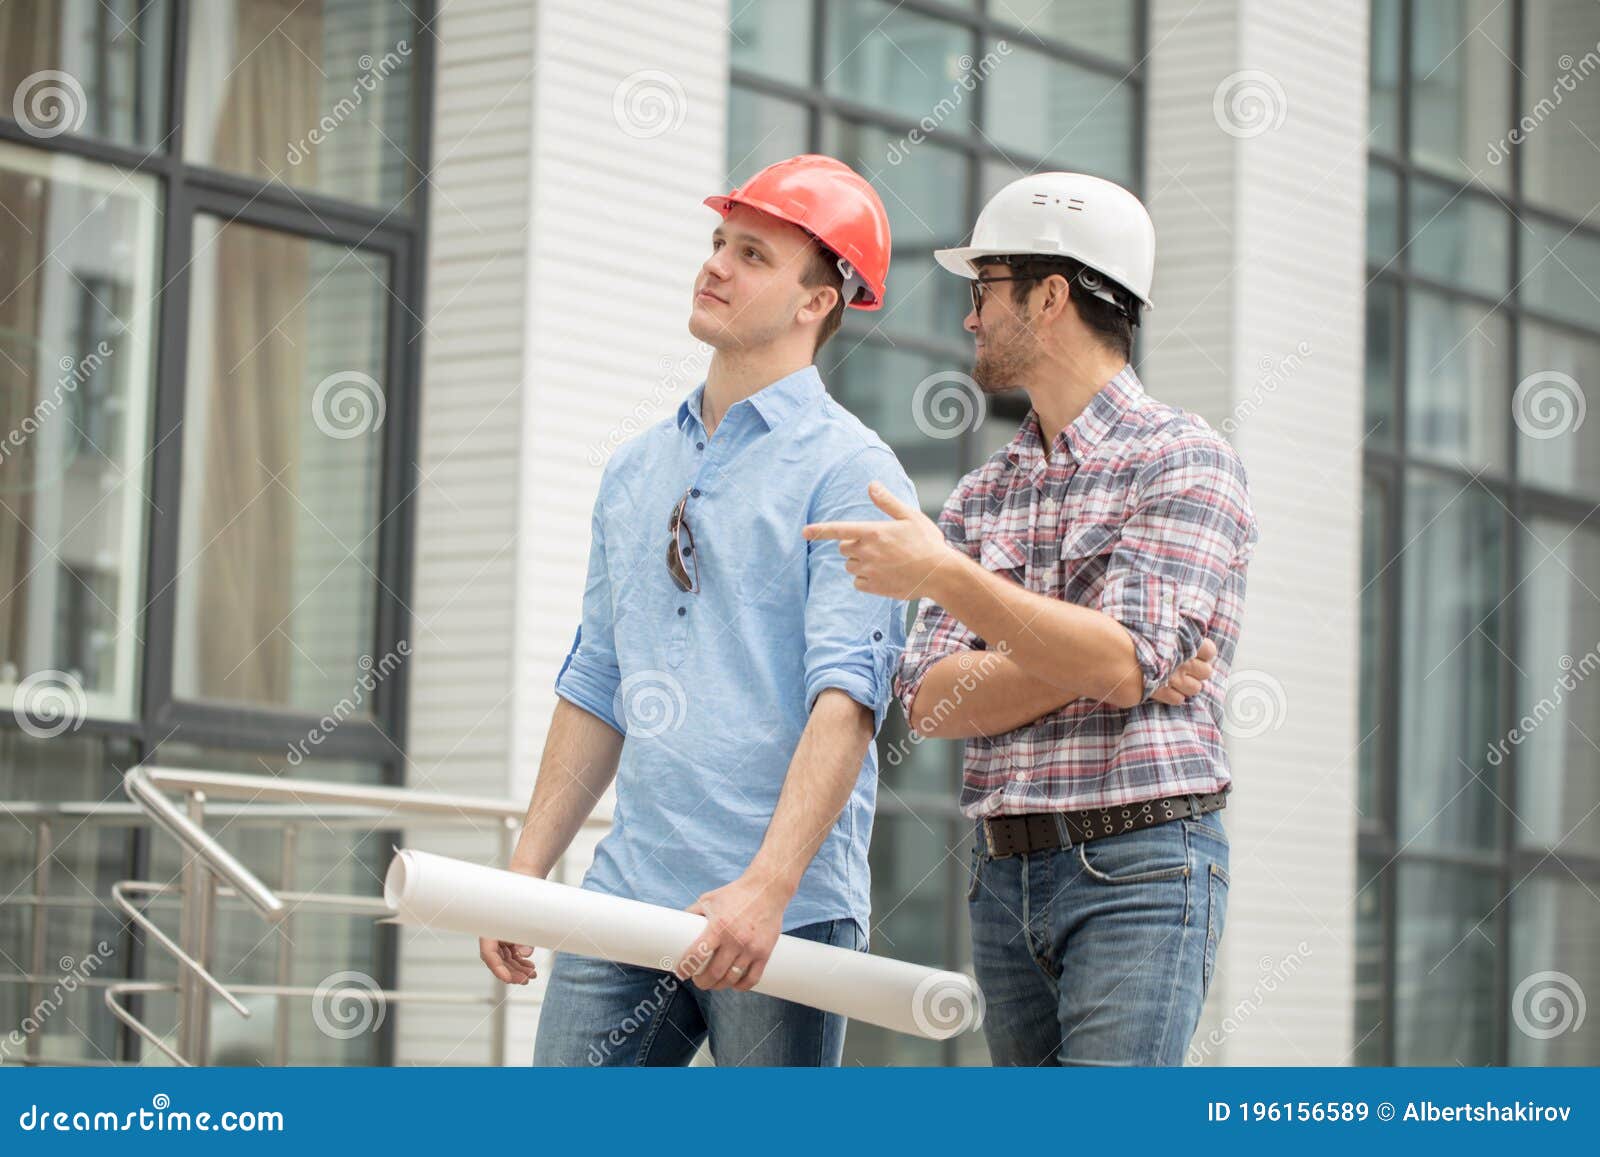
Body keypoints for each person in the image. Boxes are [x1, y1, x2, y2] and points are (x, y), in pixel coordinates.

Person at [803, 171, 1258, 1066]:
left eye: (986, 290)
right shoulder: (981, 493)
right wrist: (1098, 652)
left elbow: (1123, 662)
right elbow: (932, 705)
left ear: (1050, 296)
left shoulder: (1185, 459)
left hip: (1142, 862)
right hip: (1004, 874)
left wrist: (954, 581)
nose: (971, 317)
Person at [480, 155, 913, 1066]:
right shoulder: (637, 468)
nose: (714, 264)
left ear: (815, 302)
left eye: (752, 254)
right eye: (718, 242)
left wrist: (768, 885)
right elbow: (599, 680)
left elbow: (849, 701)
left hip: (777, 914)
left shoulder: (851, 473)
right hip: (629, 891)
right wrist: (526, 870)